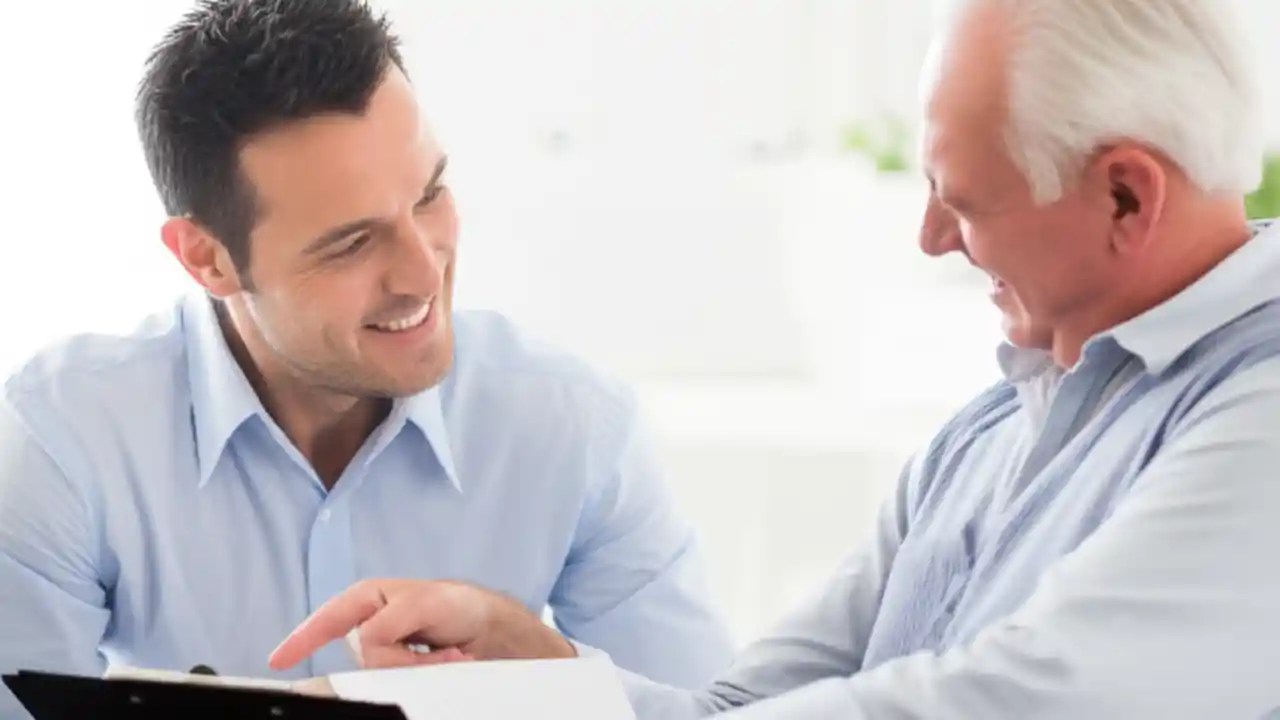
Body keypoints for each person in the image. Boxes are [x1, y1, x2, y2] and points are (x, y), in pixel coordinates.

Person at [267, 0, 1280, 717]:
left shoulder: (1256, 411)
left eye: (964, 201)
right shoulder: (986, 434)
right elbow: (741, 709)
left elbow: (1019, 702)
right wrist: (534, 671)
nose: (930, 238)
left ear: (1125, 197)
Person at [0, 1, 734, 716]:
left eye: (430, 194)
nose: (423, 273)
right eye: (351, 243)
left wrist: (543, 665)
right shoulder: (66, 439)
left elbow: (708, 713)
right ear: (208, 259)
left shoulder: (576, 427)